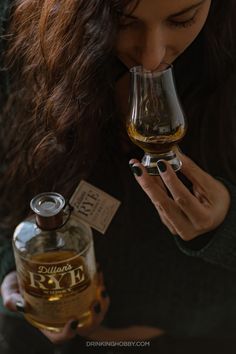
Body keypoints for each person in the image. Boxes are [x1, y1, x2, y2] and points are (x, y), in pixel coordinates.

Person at [1, 0, 236, 353]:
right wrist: (14, 274)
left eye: (182, 19)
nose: (152, 58)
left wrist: (226, 225)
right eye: (122, 22)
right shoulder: (24, 36)